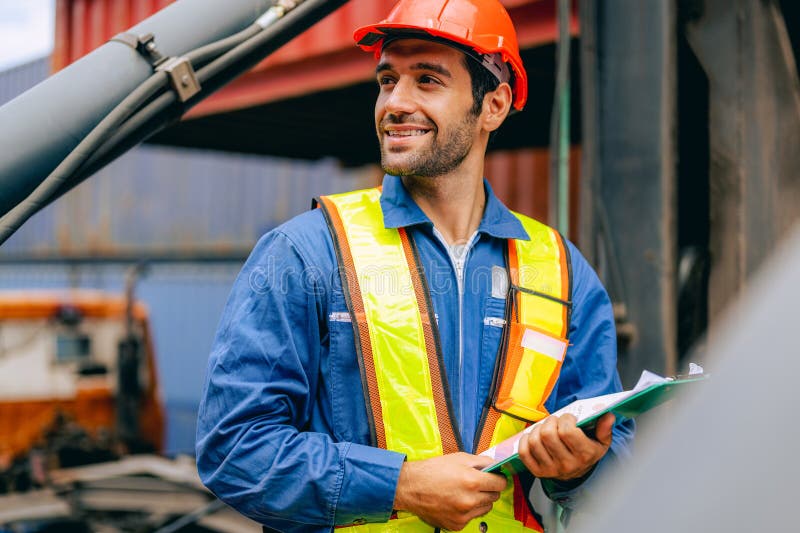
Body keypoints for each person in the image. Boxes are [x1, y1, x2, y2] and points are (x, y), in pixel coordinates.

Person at [196, 0, 634, 531]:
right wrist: (400, 485)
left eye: (427, 80)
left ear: (493, 106)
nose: (395, 103)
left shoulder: (558, 268)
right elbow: (234, 450)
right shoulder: (306, 252)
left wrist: (580, 469)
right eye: (387, 80)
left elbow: (619, 465)